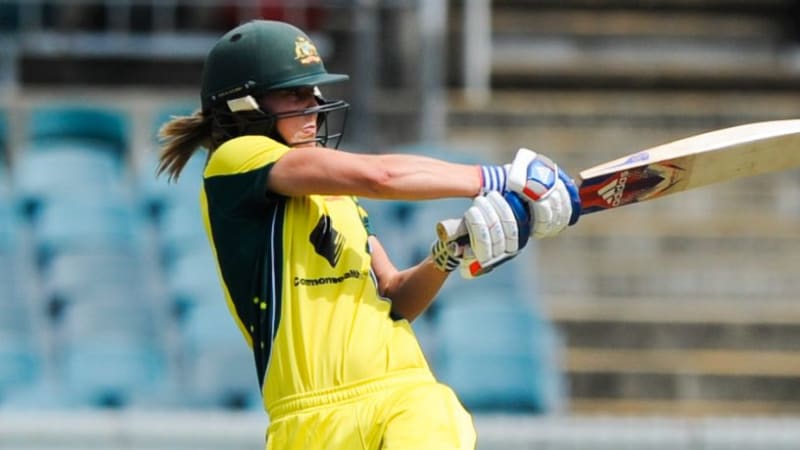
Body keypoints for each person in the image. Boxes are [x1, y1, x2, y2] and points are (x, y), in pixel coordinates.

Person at [157, 19, 580, 450]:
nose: (315, 104)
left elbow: (394, 296)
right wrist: (498, 177)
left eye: (314, 92)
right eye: (294, 93)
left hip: (402, 394)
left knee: (434, 412)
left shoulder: (337, 200)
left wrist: (451, 252)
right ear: (243, 105)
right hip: (308, 421)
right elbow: (381, 175)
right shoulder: (235, 159)